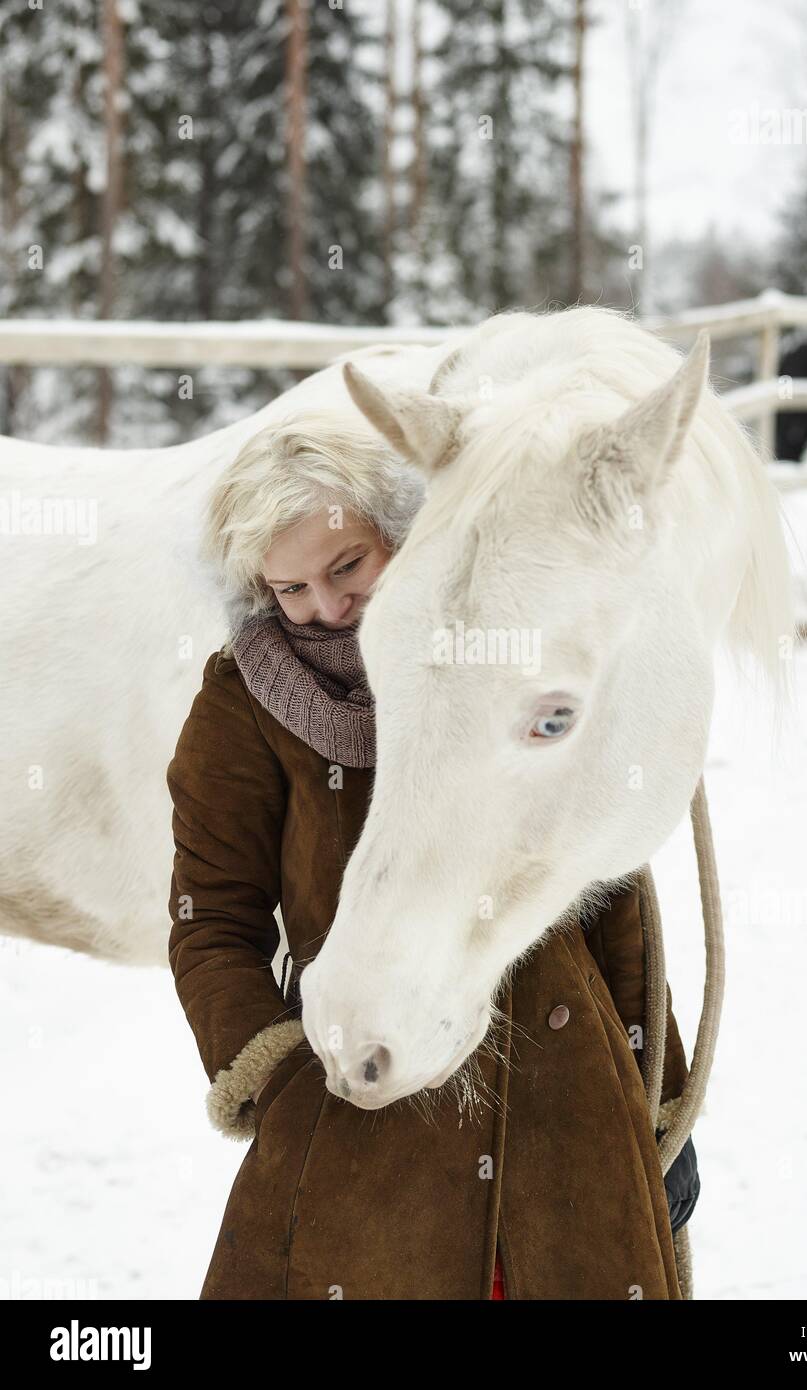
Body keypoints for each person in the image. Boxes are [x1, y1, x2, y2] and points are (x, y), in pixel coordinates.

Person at [167, 408, 699, 1301]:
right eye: (290, 589)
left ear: (402, 533)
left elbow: (608, 886)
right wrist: (278, 1072)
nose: (327, 608)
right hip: (365, 1107)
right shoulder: (241, 707)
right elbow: (209, 917)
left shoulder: (508, 665)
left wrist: (659, 1098)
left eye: (348, 566)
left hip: (568, 1115)